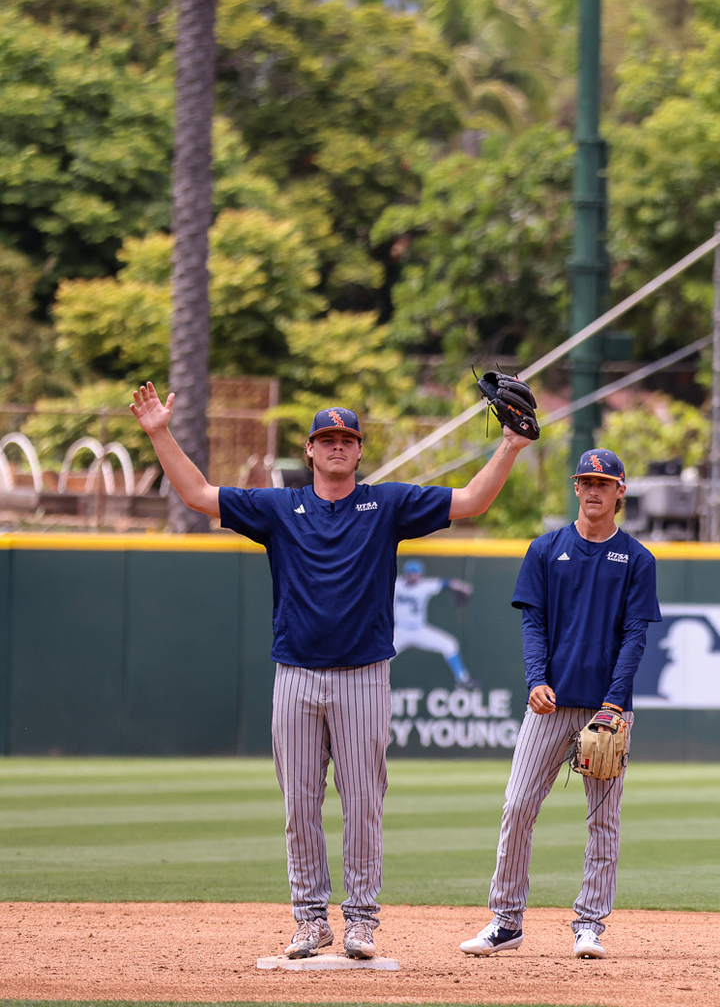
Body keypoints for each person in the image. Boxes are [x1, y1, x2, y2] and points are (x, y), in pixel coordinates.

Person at [129, 384, 526, 961]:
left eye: (347, 439)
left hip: (363, 673)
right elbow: (195, 493)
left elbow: (470, 502)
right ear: (310, 450)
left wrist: (511, 445)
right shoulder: (278, 507)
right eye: (327, 439)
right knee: (299, 803)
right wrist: (159, 432)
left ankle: (361, 921)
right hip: (294, 673)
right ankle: (310, 919)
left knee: (363, 800)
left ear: (359, 451)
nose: (337, 446)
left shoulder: (386, 504)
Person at [462, 449, 659, 960]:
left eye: (602, 482)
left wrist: (615, 702)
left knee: (603, 820)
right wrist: (535, 680)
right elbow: (533, 624)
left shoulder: (637, 559)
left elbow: (635, 636)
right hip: (548, 706)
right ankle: (505, 921)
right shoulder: (546, 549)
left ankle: (590, 924)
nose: (592, 490)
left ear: (620, 491)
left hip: (606, 711)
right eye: (584, 481)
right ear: (576, 488)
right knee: (517, 805)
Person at [392, 559, 476, 686]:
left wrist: (465, 588)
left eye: (416, 573)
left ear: (421, 574)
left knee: (450, 644)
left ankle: (463, 679)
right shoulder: (396, 583)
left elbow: (448, 583)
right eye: (411, 573)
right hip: (399, 631)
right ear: (405, 573)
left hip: (419, 630)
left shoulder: (425, 585)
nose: (413, 576)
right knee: (382, 657)